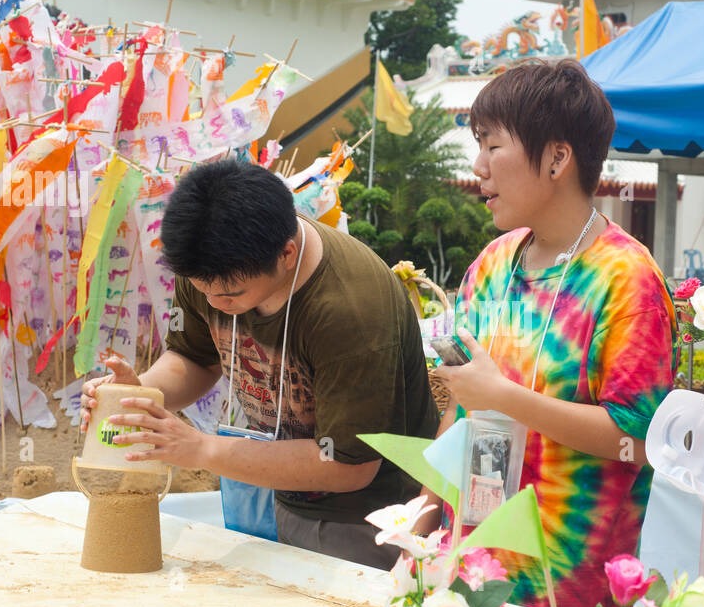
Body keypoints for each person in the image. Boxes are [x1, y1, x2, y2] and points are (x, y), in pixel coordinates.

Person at [79, 160, 439, 570]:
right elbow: (193, 358)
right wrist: (136, 393)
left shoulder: (350, 310)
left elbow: (347, 467)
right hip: (276, 489)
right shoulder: (209, 262)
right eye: (202, 290)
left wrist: (202, 449)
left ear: (286, 254)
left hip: (370, 518)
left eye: (231, 294)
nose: (214, 303)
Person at [418, 58, 676, 607]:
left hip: (568, 596)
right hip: (469, 570)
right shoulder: (491, 264)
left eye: (492, 146)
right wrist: (424, 513)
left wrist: (503, 397)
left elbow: (634, 438)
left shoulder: (626, 279)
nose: (478, 166)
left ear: (558, 157)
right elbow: (463, 404)